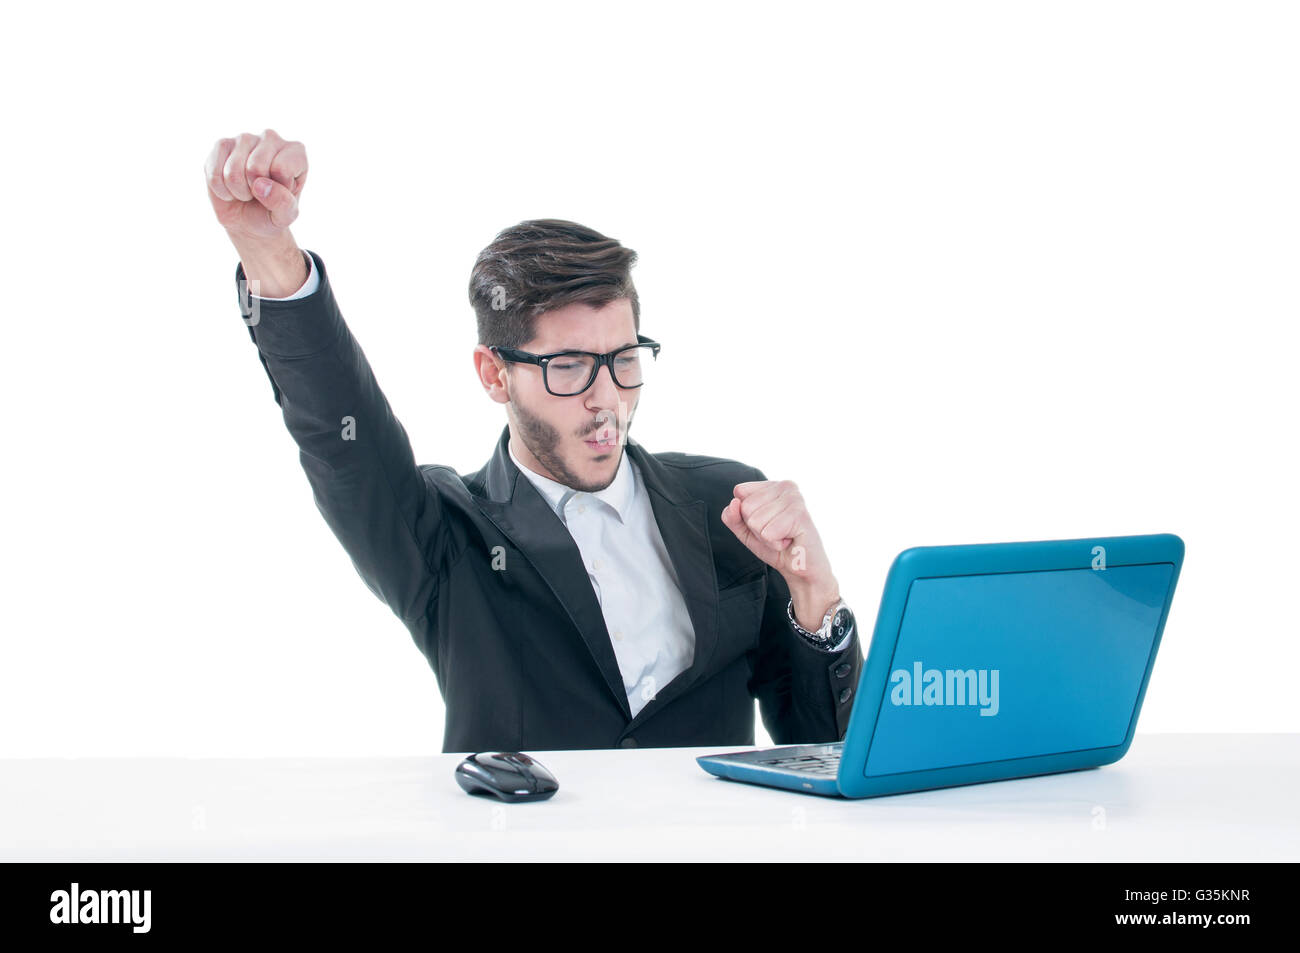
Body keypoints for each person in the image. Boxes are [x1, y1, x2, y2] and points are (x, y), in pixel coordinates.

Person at [205, 129, 863, 752]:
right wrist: (270, 255)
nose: (607, 397)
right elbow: (340, 434)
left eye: (625, 358)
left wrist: (817, 597)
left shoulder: (728, 507)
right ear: (496, 374)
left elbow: (824, 750)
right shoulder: (445, 534)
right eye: (569, 367)